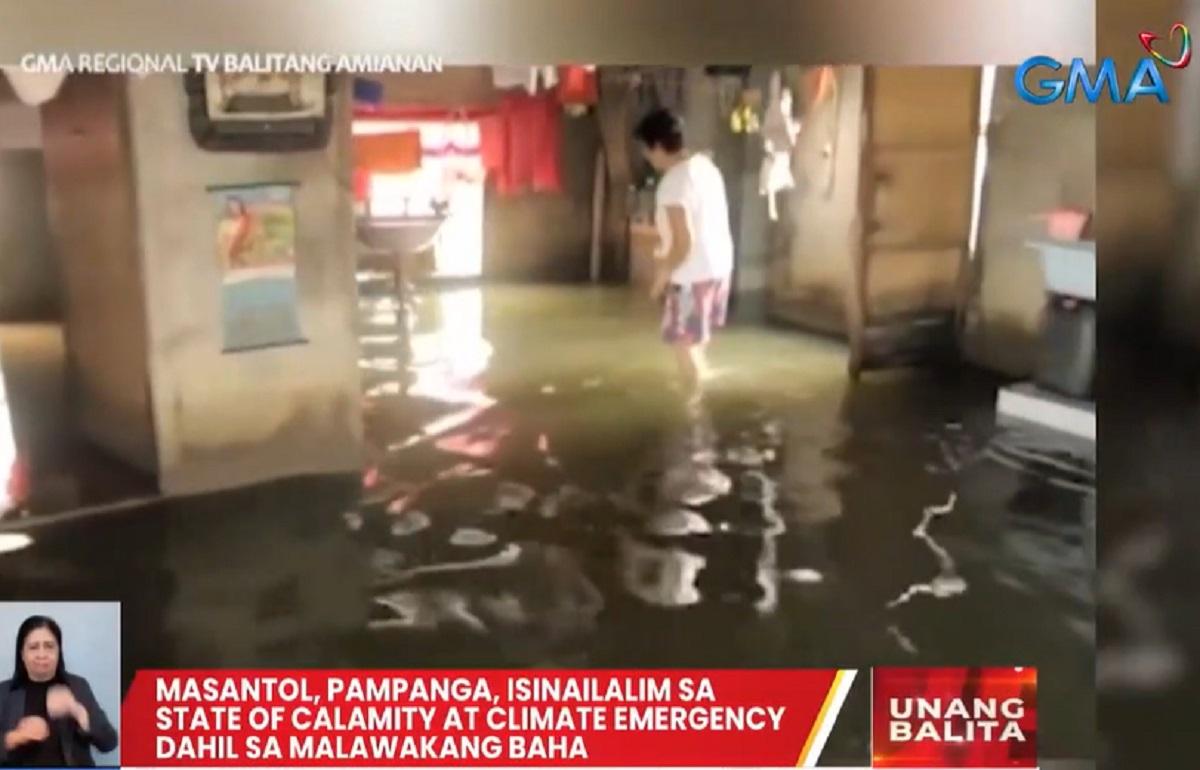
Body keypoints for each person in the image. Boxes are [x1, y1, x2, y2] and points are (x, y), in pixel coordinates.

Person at [634, 109, 734, 402]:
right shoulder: (705, 166)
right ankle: (701, 392)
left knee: (684, 349)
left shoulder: (673, 183)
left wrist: (660, 280)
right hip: (719, 268)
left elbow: (684, 243)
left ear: (657, 146)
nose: (647, 157)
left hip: (691, 275)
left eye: (646, 149)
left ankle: (693, 412)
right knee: (695, 342)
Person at [0, 616, 118, 767]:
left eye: (49, 646)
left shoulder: (78, 686)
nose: (42, 655)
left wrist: (78, 712)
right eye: (33, 647)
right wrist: (16, 737)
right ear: (22, 654)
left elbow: (109, 743)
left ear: (58, 651)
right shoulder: (4, 692)